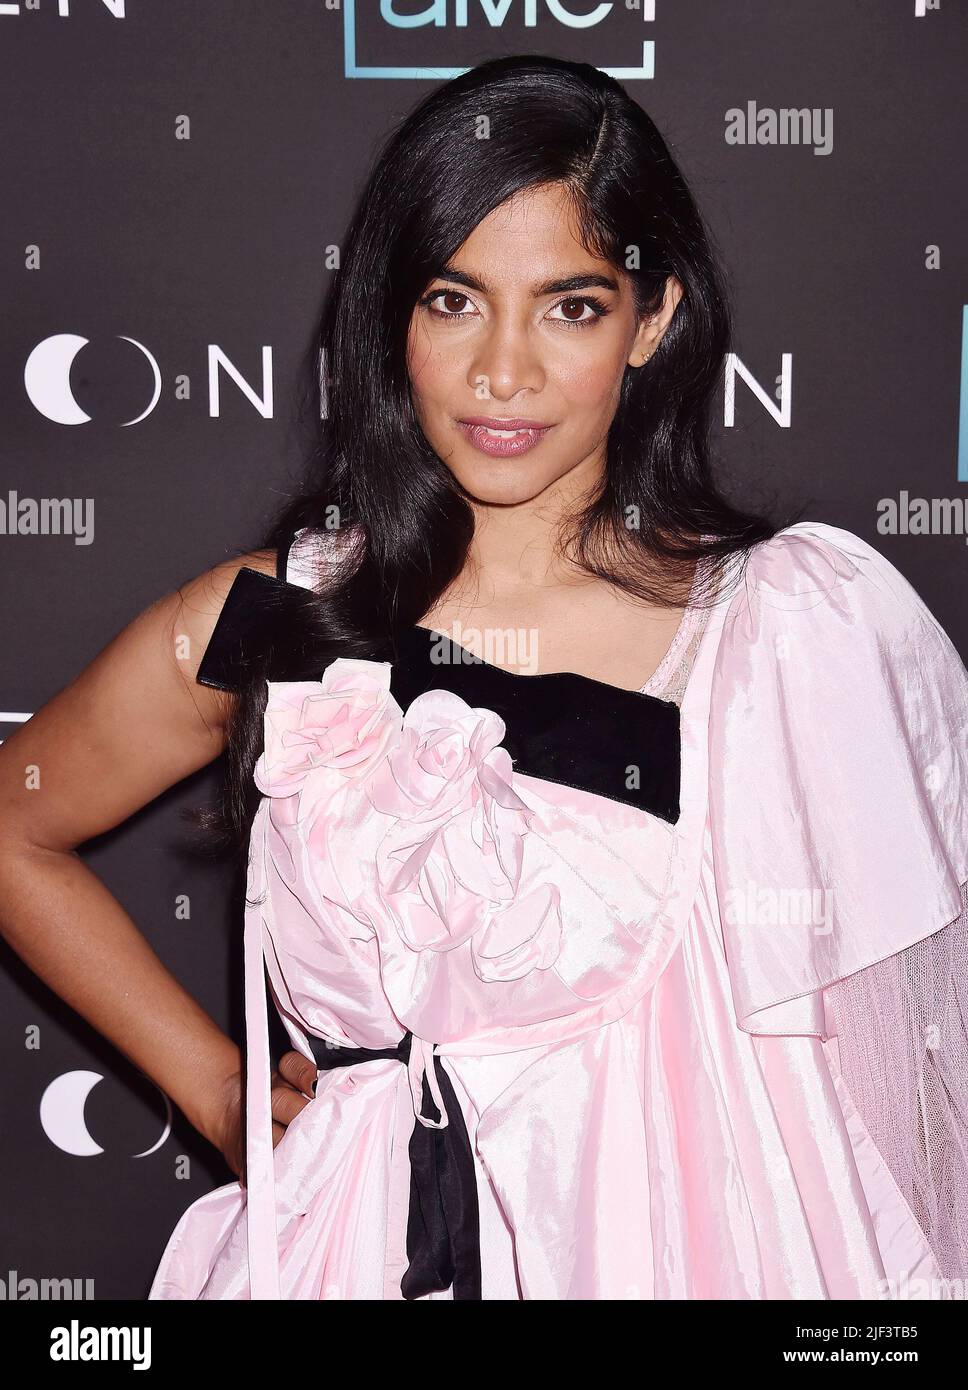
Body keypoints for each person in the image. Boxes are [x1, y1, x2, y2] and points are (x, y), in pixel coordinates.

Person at [1, 54, 966, 1302]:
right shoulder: (283, 617)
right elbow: (18, 823)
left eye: (569, 306)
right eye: (454, 301)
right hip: (337, 1259)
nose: (500, 373)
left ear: (652, 317)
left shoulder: (779, 626)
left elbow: (894, 1080)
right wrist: (216, 1087)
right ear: (393, 313)